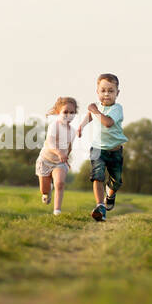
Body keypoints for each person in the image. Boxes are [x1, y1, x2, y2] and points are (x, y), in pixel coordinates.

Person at [75, 73, 126, 222]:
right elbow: (91, 115)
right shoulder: (96, 108)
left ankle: (110, 195)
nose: (106, 94)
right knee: (97, 177)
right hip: (98, 149)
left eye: (111, 91)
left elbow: (108, 123)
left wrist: (95, 110)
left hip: (115, 151)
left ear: (117, 93)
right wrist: (81, 126)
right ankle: (100, 206)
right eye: (103, 90)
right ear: (97, 92)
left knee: (116, 181)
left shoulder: (117, 109)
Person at [35, 97, 78, 215]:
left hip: (59, 163)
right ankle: (47, 193)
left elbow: (69, 147)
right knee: (44, 189)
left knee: (60, 183)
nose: (69, 115)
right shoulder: (54, 126)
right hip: (45, 160)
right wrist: (59, 153)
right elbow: (50, 143)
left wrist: (66, 158)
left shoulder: (73, 131)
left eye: (72, 112)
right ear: (59, 112)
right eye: (65, 112)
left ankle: (57, 211)